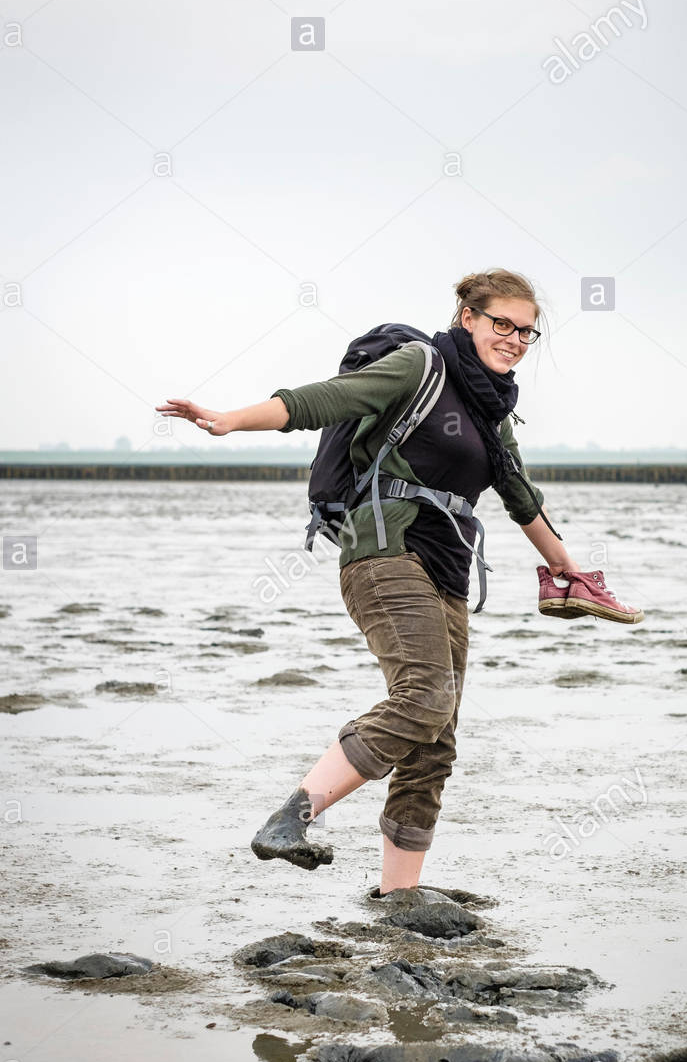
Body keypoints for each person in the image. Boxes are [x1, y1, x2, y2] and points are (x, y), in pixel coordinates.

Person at [155, 268, 641, 895]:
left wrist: (570, 572)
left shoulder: (492, 406)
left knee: (436, 742)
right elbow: (324, 399)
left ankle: (398, 894)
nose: (516, 339)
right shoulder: (422, 365)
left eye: (528, 331)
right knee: (424, 698)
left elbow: (521, 497)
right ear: (468, 317)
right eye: (503, 324)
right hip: (384, 552)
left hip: (449, 567)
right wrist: (230, 420)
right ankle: (290, 818)